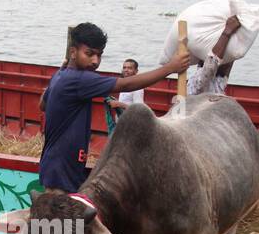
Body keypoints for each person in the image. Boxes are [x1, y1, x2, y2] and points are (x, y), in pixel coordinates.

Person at [40, 23, 193, 192]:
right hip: (62, 171)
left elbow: (43, 105)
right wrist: (170, 68)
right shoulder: (79, 79)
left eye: (99, 55)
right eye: (89, 54)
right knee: (62, 218)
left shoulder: (60, 75)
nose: (95, 61)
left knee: (64, 217)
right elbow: (125, 85)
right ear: (73, 52)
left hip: (55, 165)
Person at [186, 15, 241, 96]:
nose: (227, 61)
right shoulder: (198, 83)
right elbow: (210, 67)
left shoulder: (220, 81)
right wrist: (227, 32)